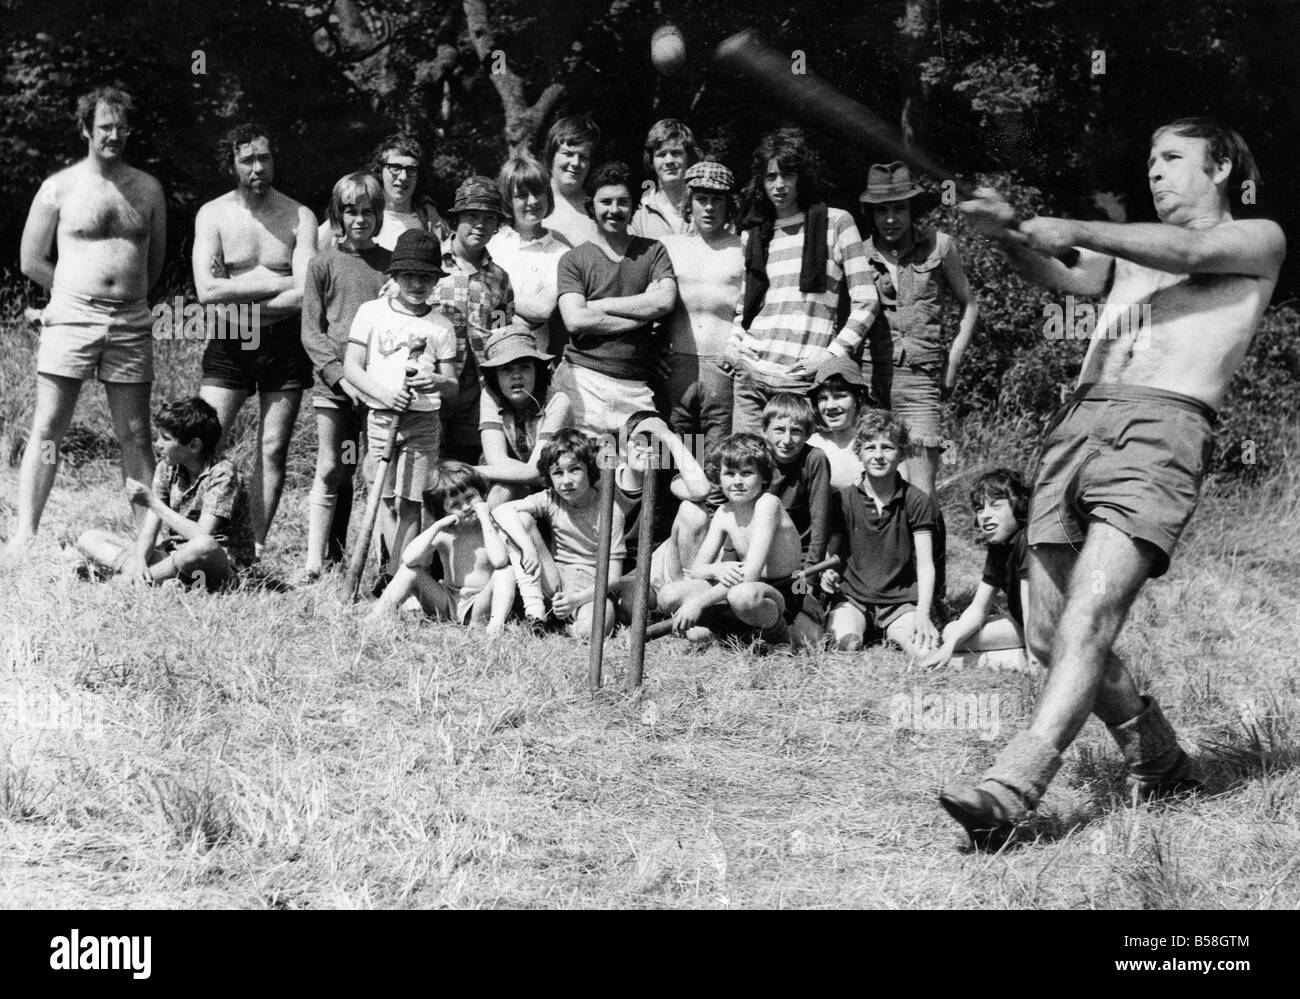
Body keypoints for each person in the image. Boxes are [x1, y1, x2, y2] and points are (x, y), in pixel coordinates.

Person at [939, 117, 1285, 844]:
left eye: (1172, 158)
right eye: (1150, 159)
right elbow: (1061, 273)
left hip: (1160, 432)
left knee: (1090, 617)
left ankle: (1014, 786)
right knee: (1045, 631)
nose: (1154, 172)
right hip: (1077, 425)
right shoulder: (1132, 252)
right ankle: (1159, 759)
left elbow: (1189, 249)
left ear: (1220, 167)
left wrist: (1056, 220)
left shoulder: (1258, 239)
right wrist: (1007, 232)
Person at [12, 86, 166, 550]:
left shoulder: (148, 188)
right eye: (104, 127)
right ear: (86, 130)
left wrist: (127, 297)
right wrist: (72, 295)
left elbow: (153, 263)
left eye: (121, 127)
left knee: (136, 433)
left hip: (131, 320)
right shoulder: (59, 187)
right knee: (50, 425)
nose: (113, 135)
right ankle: (26, 533)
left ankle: (145, 539)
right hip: (71, 317)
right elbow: (31, 259)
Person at [192, 123, 317, 556]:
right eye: (247, 159)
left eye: (264, 157)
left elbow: (306, 293)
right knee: (204, 439)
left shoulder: (300, 215)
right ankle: (192, 533)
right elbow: (206, 291)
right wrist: (272, 280)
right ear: (232, 165)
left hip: (285, 342)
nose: (258, 167)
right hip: (231, 338)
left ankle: (253, 547)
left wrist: (239, 293)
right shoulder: (213, 214)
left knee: (274, 447)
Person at [725, 128, 880, 433]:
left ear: (802, 177)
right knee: (745, 473)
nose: (779, 185)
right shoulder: (754, 234)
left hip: (801, 378)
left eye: (788, 175)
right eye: (771, 177)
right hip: (751, 377)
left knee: (796, 477)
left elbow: (867, 301)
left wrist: (831, 356)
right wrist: (734, 345)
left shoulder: (836, 223)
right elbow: (746, 308)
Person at [344, 230, 459, 579]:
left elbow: (452, 386)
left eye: (426, 277)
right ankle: (386, 570)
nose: (417, 284)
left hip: (423, 421)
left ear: (436, 281)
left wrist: (436, 382)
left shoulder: (441, 326)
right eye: (409, 275)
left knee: (411, 501)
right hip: (381, 416)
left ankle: (399, 579)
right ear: (394, 277)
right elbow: (351, 367)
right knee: (384, 496)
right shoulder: (372, 312)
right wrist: (381, 394)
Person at [860, 161, 980, 495]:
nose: (890, 219)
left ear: (912, 209)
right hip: (871, 380)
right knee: (873, 486)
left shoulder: (940, 246)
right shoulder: (859, 253)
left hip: (921, 379)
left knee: (920, 490)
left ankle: (928, 549)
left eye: (899, 209)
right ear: (871, 213)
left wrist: (953, 362)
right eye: (882, 211)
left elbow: (970, 305)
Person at [298, 171, 391, 581]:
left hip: (378, 386)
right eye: (350, 211)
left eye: (367, 212)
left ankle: (377, 562)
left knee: (374, 470)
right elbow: (311, 331)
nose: (359, 220)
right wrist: (340, 377)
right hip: (334, 386)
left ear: (378, 214)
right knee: (331, 466)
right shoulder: (322, 264)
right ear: (338, 215)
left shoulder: (390, 264)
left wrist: (370, 383)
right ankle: (315, 562)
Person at [74, 398, 253, 590]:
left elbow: (202, 534)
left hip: (218, 562)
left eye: (165, 439)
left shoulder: (222, 473)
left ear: (193, 446)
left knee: (202, 546)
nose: (157, 444)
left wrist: (152, 502)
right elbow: (150, 529)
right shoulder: (167, 467)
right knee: (89, 538)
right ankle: (150, 575)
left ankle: (131, 581)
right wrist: (141, 559)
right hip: (172, 554)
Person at [554, 161, 677, 435]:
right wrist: (642, 317)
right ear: (592, 206)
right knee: (583, 468)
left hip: (635, 385)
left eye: (622, 202)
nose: (614, 210)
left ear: (633, 205)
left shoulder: (653, 251)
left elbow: (664, 301)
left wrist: (600, 307)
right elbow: (575, 320)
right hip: (581, 379)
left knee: (641, 468)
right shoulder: (573, 259)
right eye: (605, 201)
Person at [658, 433, 803, 645]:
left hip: (787, 588)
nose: (737, 481)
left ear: (763, 477)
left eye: (746, 473)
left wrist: (697, 603)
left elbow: (750, 574)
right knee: (668, 595)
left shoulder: (767, 504)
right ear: (719, 477)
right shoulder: (724, 512)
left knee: (741, 596)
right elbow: (698, 569)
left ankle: (779, 640)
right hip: (742, 587)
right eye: (730, 473)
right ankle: (733, 632)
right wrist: (717, 569)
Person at [493, 429, 636, 640]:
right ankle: (536, 612)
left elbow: (613, 579)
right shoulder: (551, 498)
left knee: (597, 626)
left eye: (575, 470)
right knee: (521, 519)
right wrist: (528, 548)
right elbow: (500, 511)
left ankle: (565, 628)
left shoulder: (609, 511)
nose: (566, 481)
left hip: (590, 588)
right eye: (558, 473)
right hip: (555, 577)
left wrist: (575, 600)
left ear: (590, 471)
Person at [820, 409, 941, 656]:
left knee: (926, 651)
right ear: (859, 453)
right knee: (847, 645)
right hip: (852, 598)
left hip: (900, 602)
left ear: (902, 453)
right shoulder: (843, 499)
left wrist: (923, 613)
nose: (878, 456)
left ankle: (898, 628)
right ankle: (858, 626)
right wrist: (826, 574)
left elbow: (926, 564)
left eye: (887, 447)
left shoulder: (916, 500)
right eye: (869, 448)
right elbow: (829, 556)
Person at [659, 160, 745, 459]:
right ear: (688, 202)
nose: (709, 208)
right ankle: (674, 507)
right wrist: (654, 352)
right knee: (677, 454)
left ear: (729, 204)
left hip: (724, 366)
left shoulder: (742, 248)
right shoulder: (669, 246)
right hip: (676, 365)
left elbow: (753, 309)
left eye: (717, 199)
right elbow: (653, 304)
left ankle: (714, 507)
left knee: (718, 453)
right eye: (702, 199)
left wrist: (738, 354)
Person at [429, 176, 516, 464]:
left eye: (489, 218)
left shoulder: (499, 278)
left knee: (463, 467)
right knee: (427, 466)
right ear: (456, 220)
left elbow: (502, 332)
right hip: (434, 381)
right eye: (472, 216)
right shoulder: (429, 262)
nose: (481, 224)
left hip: (477, 390)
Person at [368, 461, 515, 631]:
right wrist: (436, 526)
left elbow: (499, 561)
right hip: (447, 601)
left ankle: (495, 626)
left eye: (469, 498)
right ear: (443, 511)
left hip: (480, 603)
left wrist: (484, 519)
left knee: (505, 572)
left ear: (481, 494)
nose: (466, 507)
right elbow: (408, 559)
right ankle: (377, 615)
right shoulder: (445, 534)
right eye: (455, 505)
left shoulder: (492, 527)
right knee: (409, 571)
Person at [922, 467, 1031, 670]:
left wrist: (1036, 665)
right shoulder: (999, 547)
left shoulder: (1029, 541)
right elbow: (979, 607)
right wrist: (949, 647)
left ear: (1018, 505)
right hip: (1022, 623)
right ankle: (1016, 656)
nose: (985, 516)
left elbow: (1032, 612)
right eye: (980, 509)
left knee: (959, 650)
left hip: (1048, 626)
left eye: (996, 506)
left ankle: (1026, 659)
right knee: (951, 632)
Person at [475, 321, 572, 507]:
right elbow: (496, 459)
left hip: (554, 488)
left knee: (501, 496)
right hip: (506, 480)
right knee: (498, 494)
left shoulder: (558, 401)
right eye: (506, 369)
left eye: (525, 367)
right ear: (495, 376)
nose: (516, 375)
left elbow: (538, 471)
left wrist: (470, 470)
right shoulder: (490, 395)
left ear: (538, 370)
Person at [489, 151, 572, 355]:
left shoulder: (561, 253)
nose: (533, 201)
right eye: (522, 195)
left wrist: (494, 294)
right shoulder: (491, 242)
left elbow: (543, 309)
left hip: (533, 358)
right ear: (508, 200)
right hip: (485, 352)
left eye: (538, 192)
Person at [317, 134, 450, 250]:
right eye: (395, 168)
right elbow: (313, 253)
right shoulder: (355, 215)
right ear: (380, 171)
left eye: (411, 170)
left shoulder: (429, 222)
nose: (403, 177)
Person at [806, 356, 874, 489]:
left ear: (858, 399)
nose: (830, 406)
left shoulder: (877, 444)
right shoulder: (813, 445)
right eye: (823, 398)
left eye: (840, 396)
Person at [630, 118, 701, 238]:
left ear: (688, 158)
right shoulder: (639, 213)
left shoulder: (704, 206)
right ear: (651, 161)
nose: (669, 161)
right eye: (661, 155)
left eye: (676, 153)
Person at [541, 113, 601, 249]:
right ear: (552, 155)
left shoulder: (599, 208)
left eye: (583, 157)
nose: (575, 163)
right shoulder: (534, 201)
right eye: (568, 153)